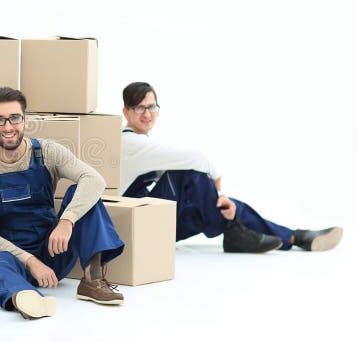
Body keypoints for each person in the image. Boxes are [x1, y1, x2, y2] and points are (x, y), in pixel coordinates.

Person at [120, 81, 343, 253]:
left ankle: (296, 237)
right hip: (135, 230)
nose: (147, 114)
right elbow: (198, 159)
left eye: (151, 107)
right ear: (126, 112)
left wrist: (218, 197)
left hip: (148, 223)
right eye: (139, 108)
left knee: (220, 205)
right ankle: (234, 229)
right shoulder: (129, 142)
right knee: (189, 173)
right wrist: (217, 186)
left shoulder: (145, 144)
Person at [0, 87, 125, 320]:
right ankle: (24, 297)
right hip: (15, 263)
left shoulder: (47, 152)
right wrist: (30, 262)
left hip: (54, 251)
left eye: (14, 118)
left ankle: (92, 280)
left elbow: (95, 180)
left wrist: (67, 221)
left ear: (25, 121)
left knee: (80, 192)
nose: (8, 127)